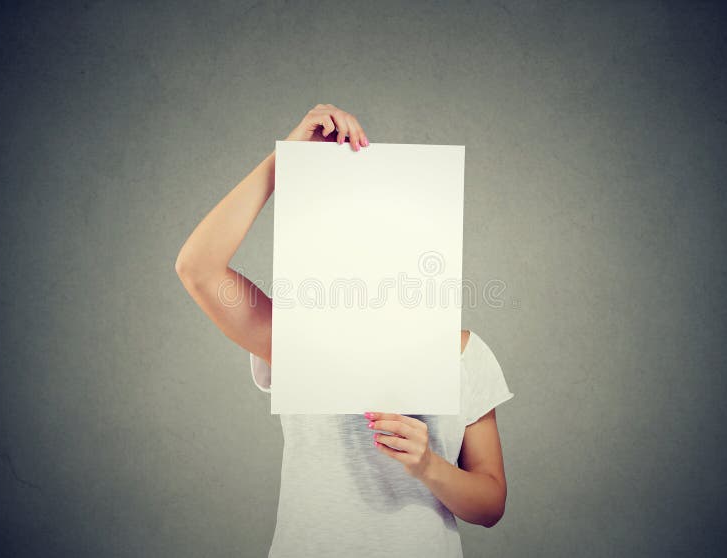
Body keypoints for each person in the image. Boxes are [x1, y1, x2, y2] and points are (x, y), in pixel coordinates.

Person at [174, 103, 515, 557]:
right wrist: (287, 160)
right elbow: (197, 268)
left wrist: (428, 465)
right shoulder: (298, 336)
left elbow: (491, 503)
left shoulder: (466, 353)